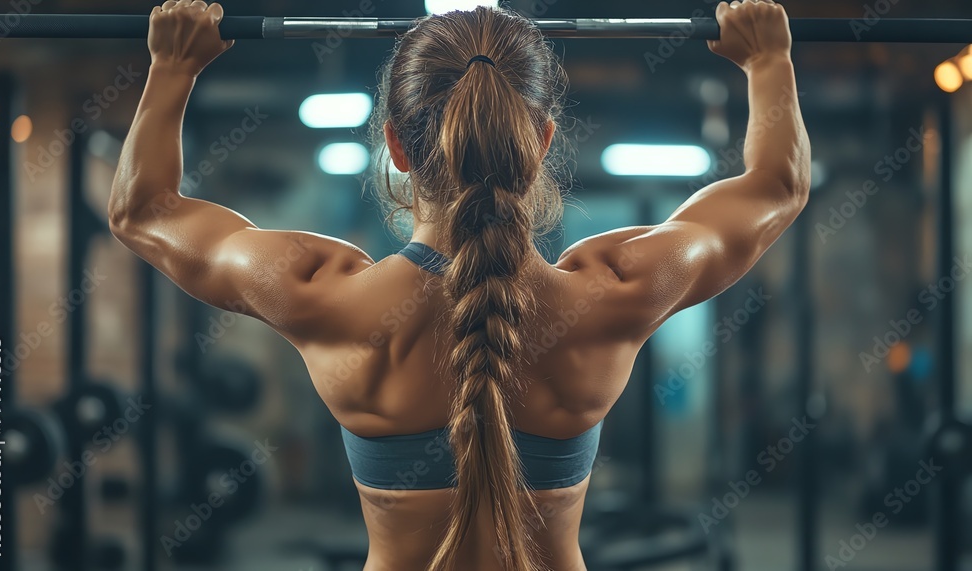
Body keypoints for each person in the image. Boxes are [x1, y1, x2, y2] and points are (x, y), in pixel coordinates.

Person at [107, 1, 809, 569]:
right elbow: (777, 185)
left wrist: (173, 65)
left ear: (397, 146)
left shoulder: (324, 296)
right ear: (540, 142)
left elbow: (143, 210)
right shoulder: (613, 292)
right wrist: (768, 60)